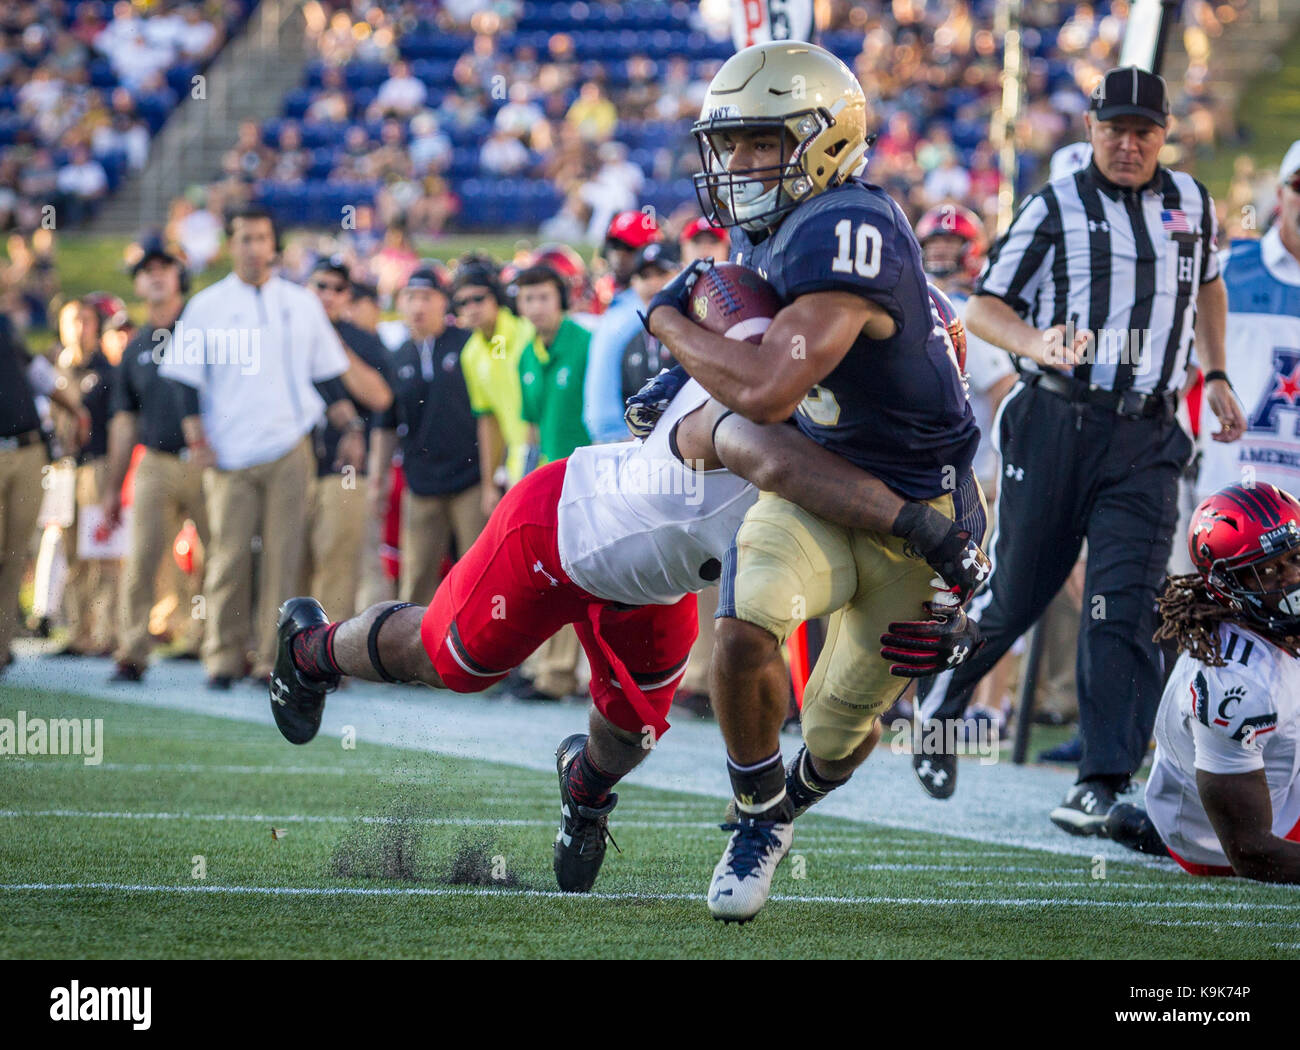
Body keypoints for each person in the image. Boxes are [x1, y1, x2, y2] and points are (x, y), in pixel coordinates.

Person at [268, 374, 990, 897]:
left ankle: (582, 791)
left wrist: (950, 620)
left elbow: (892, 571)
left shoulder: (874, 451)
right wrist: (920, 526)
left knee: (629, 738)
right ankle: (311, 648)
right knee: (451, 660)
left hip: (654, 585)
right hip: (560, 530)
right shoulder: (757, 397)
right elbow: (770, 458)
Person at [647, 41, 988, 922]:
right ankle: (757, 814)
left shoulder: (850, 230)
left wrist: (666, 323)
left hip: (921, 510)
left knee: (838, 729)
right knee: (743, 631)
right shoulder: (776, 227)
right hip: (818, 486)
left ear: (825, 140)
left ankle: (791, 800)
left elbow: (766, 388)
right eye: (730, 146)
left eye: (762, 143)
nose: (738, 165)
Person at [913, 67, 1248, 835]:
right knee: (1019, 590)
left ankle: (1101, 780)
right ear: (1092, 127)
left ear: (1166, 133)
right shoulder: (1055, 205)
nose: (1128, 144)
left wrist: (1218, 369)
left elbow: (1210, 286)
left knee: (1125, 604)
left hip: (1150, 432)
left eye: (1144, 131)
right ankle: (943, 703)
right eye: (1115, 129)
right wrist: (1040, 342)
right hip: (1058, 419)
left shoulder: (1193, 203)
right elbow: (984, 305)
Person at [159, 206, 375, 688]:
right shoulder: (207, 305)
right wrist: (198, 440)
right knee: (228, 557)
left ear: (273, 246)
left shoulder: (301, 305)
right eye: (244, 238)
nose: (254, 247)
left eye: (261, 238)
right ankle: (221, 658)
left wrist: (352, 427)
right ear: (231, 245)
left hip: (288, 447)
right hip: (228, 452)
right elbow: (183, 381)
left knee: (283, 557)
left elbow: (326, 375)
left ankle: (270, 663)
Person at [1106, 484, 1300, 883]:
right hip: (1217, 845)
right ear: (1229, 584)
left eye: (1297, 558)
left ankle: (1145, 830)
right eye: (1269, 569)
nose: (1293, 577)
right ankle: (1155, 835)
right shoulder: (1235, 686)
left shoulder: (1264, 623)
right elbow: (1250, 851)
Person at [102, 241, 208, 681]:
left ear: (180, 275)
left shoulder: (205, 330)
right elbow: (124, 422)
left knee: (226, 557)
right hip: (157, 460)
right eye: (147, 270)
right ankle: (132, 650)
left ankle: (221, 647)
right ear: (138, 283)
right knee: (142, 558)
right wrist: (112, 485)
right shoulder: (135, 346)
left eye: (166, 266)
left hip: (208, 460)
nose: (156, 275)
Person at [368, 266, 483, 605]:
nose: (418, 306)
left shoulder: (468, 345)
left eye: (427, 297)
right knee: (416, 576)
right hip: (421, 482)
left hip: (471, 477)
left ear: (443, 302)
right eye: (411, 298)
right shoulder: (396, 356)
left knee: (477, 571)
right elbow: (385, 424)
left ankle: (481, 653)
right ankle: (415, 653)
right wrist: (378, 481)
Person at [1195, 140, 1300, 502]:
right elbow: (1168, 373)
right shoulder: (1223, 275)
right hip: (1233, 510)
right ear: (1279, 194)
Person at [508, 263, 592, 703]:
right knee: (546, 574)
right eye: (528, 298)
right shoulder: (526, 354)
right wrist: (521, 484)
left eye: (544, 296)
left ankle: (559, 674)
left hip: (587, 478)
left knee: (574, 574)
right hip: (547, 482)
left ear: (561, 299)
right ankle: (541, 668)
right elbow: (532, 430)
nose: (536, 306)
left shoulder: (586, 343)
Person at [303, 257, 393, 622]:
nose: (328, 295)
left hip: (343, 470)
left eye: (338, 289)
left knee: (338, 563)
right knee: (286, 560)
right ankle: (274, 653)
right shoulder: (282, 336)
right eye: (320, 286)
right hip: (289, 461)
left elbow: (382, 397)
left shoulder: (361, 341)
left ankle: (325, 654)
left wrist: (332, 345)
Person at [0, 311, 84, 674]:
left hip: (29, 448)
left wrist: (75, 409)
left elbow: (32, 368)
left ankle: (2, 647)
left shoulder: (5, 323)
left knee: (15, 554)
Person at [449, 261, 535, 515]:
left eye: (478, 298)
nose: (471, 308)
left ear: (496, 297)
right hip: (518, 467)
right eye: (463, 303)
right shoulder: (471, 354)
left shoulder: (527, 332)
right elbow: (489, 420)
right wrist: (489, 486)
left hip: (553, 454)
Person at [583, 211, 661, 443]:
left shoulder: (654, 304)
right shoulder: (615, 301)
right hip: (605, 441)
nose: (619, 255)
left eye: (630, 248)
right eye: (615, 246)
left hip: (634, 440)